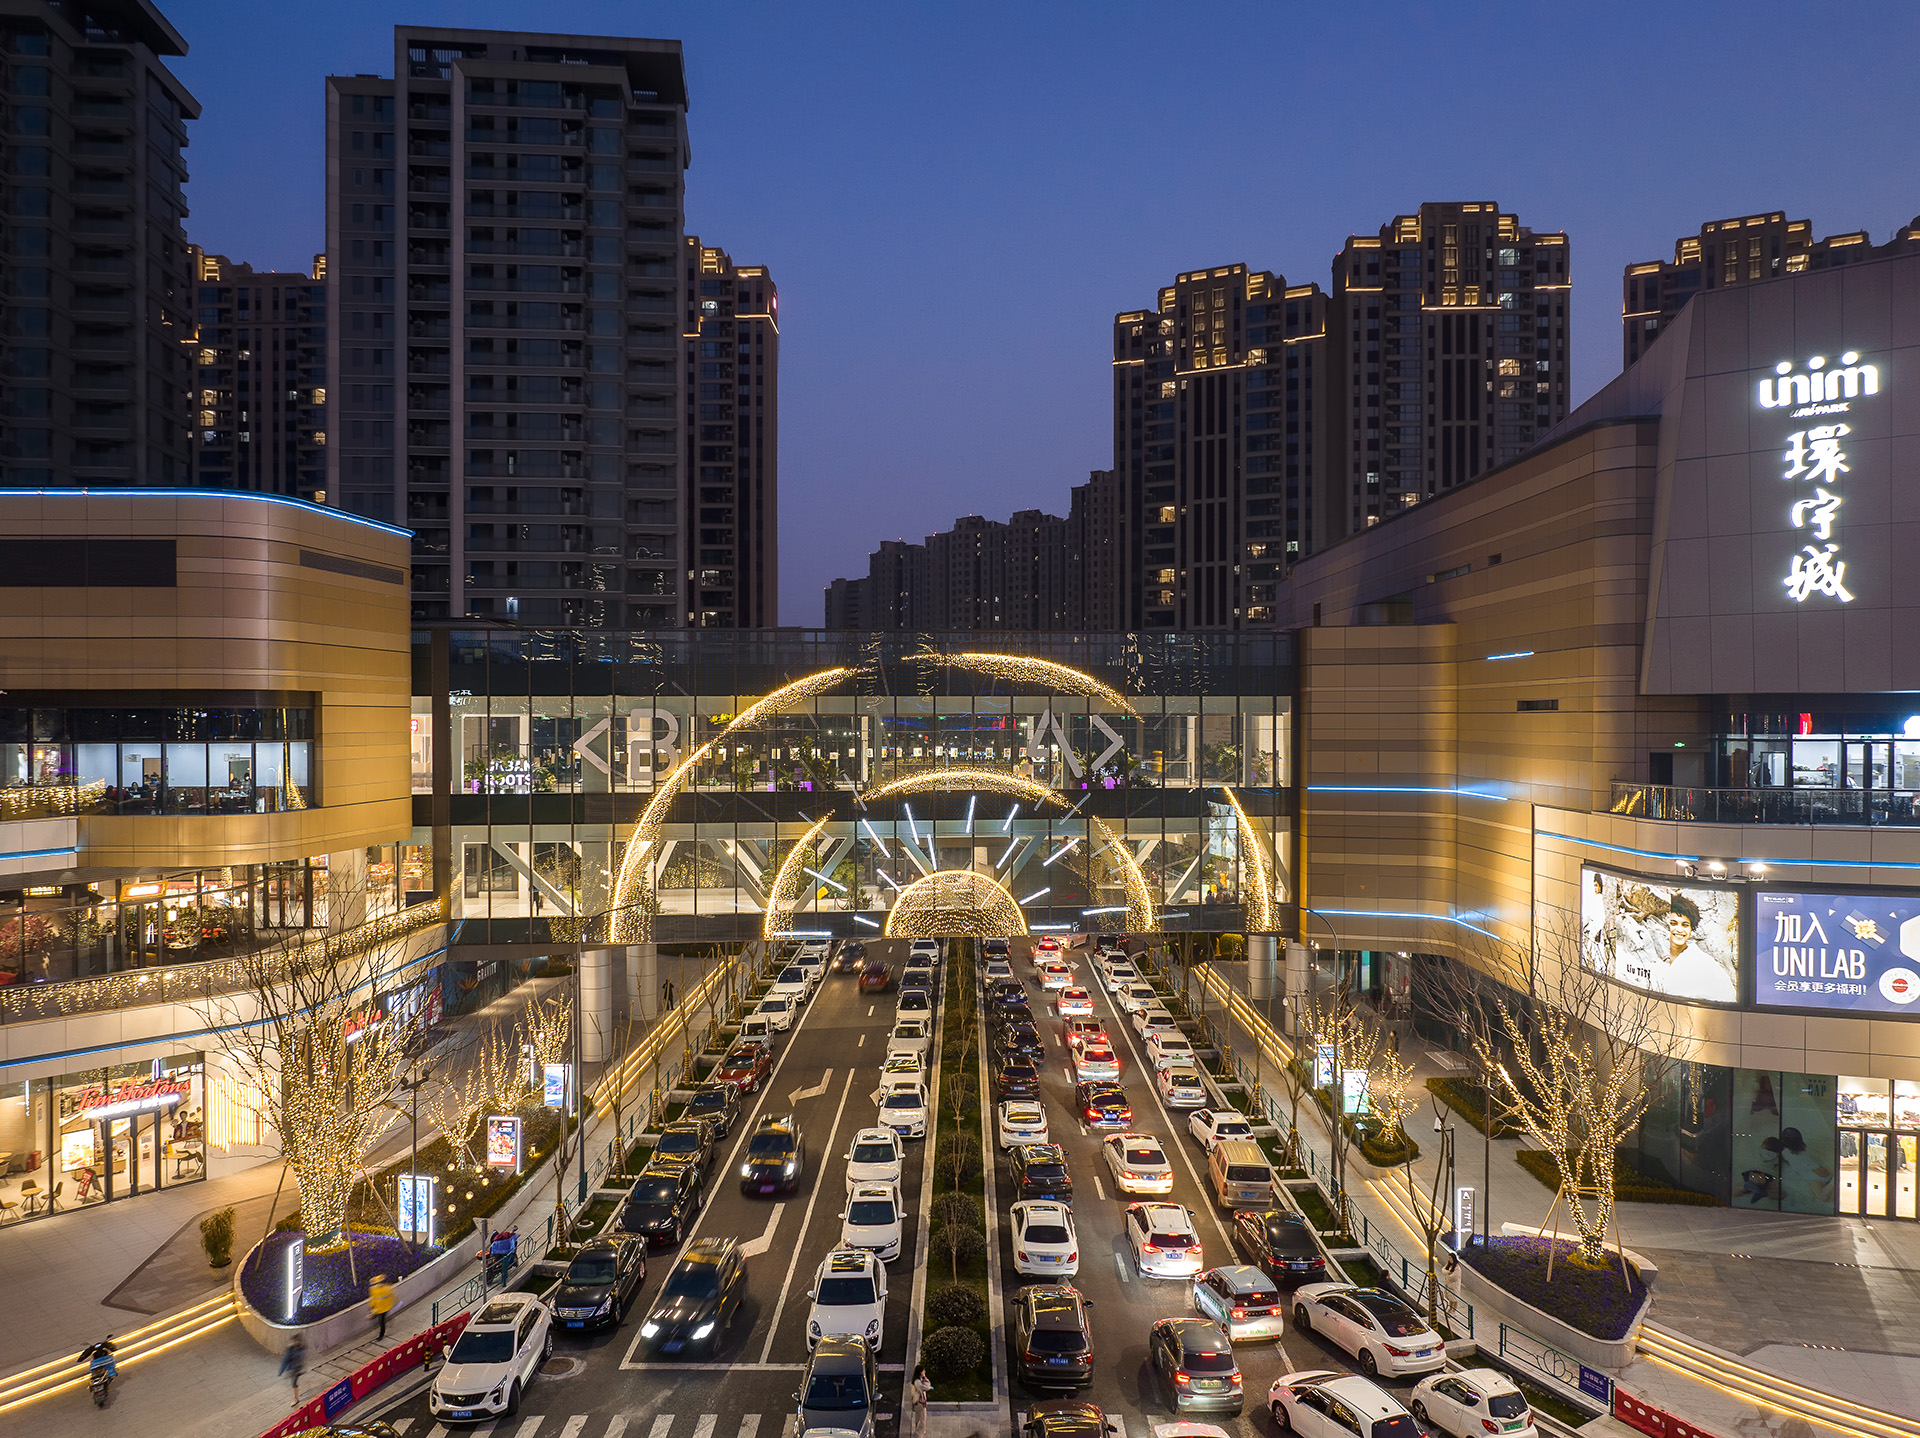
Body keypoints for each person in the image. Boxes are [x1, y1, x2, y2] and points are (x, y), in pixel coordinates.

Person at [278, 1331, 306, 1407]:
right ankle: (296, 1398)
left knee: (294, 1383)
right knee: (294, 1383)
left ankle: (296, 1399)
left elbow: (287, 1360)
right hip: (294, 1368)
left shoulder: (299, 1348)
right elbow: (285, 1360)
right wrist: (281, 1370)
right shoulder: (293, 1349)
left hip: (296, 1368)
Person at [368, 1273, 396, 1340]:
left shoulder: (386, 1289)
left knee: (381, 1322)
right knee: (380, 1321)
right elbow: (373, 1298)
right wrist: (371, 1307)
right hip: (377, 1308)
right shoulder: (373, 1289)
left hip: (383, 1309)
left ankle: (381, 1335)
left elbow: (390, 1298)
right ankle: (388, 1320)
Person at [909, 1363, 932, 1438]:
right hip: (920, 1403)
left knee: (919, 1419)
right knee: (922, 1420)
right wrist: (925, 1378)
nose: (924, 1371)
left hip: (919, 1402)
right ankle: (919, 1434)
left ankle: (919, 1433)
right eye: (923, 1371)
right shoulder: (918, 1382)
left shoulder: (918, 1380)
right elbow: (927, 1387)